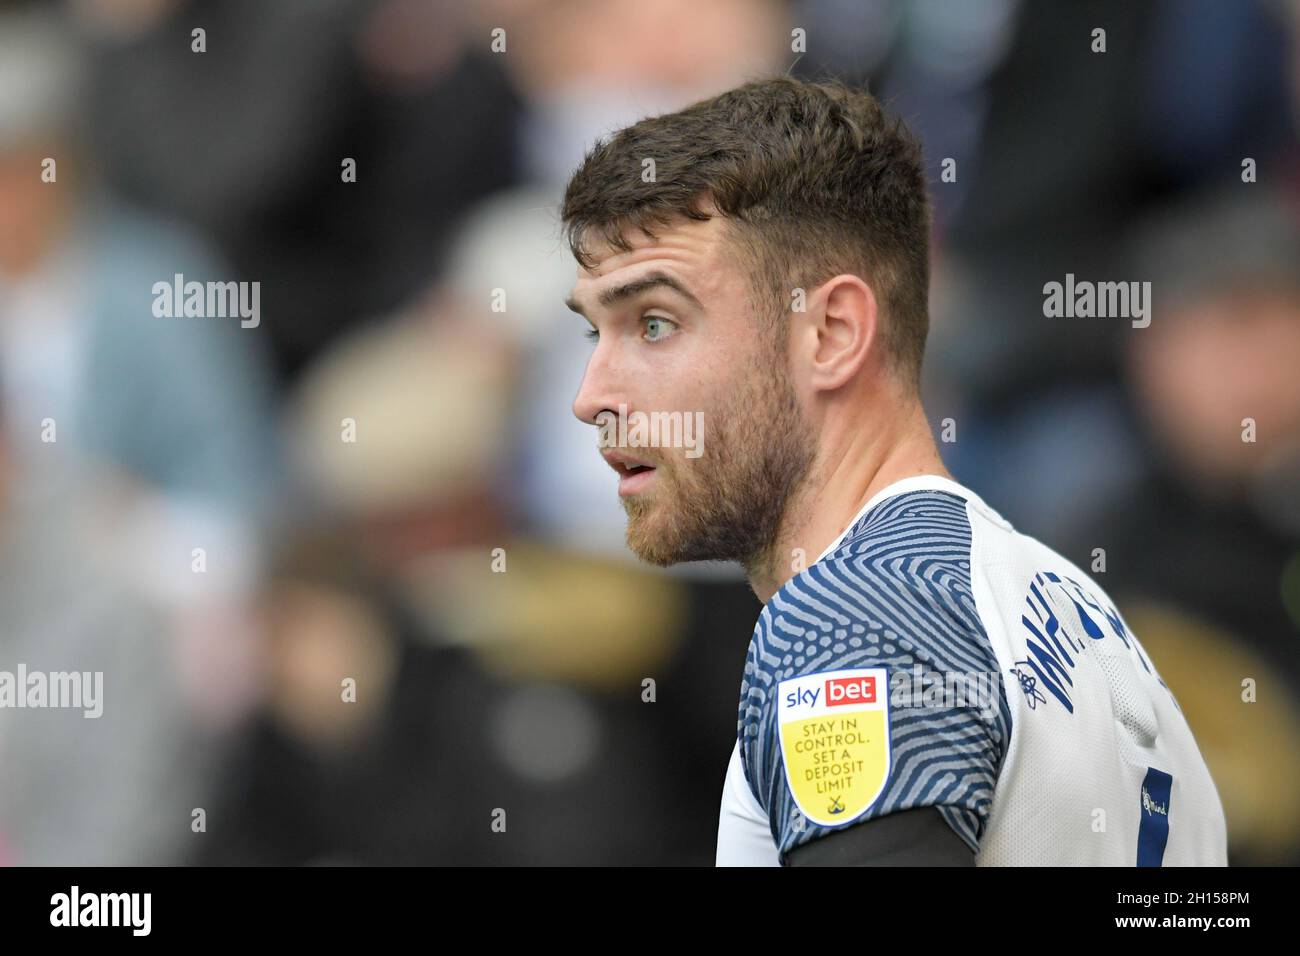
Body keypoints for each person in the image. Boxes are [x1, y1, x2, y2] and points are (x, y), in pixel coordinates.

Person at [559, 76, 1227, 866]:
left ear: (832, 333)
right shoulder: (1073, 606)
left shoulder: (852, 621)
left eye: (656, 323)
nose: (591, 397)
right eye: (595, 332)